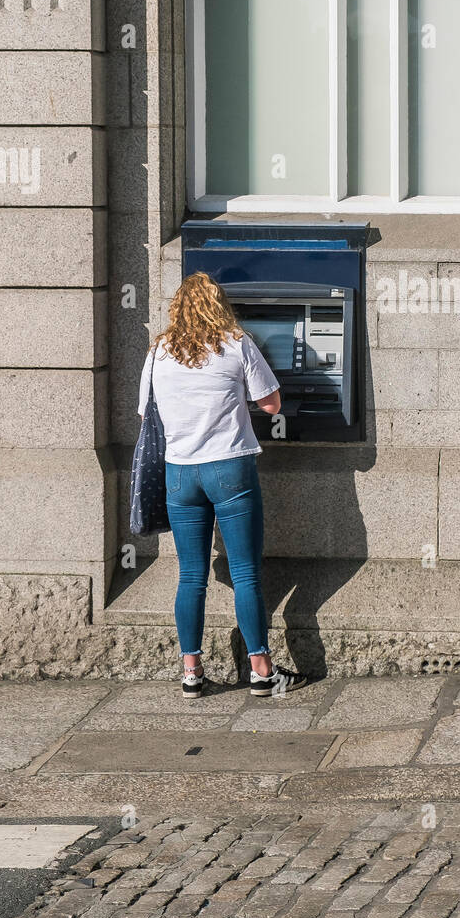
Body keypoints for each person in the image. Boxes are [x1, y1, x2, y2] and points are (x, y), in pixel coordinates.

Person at [137, 271, 307, 699]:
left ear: (177, 309)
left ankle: (192, 673)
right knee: (246, 572)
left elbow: (145, 414)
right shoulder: (237, 344)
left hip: (180, 473)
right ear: (219, 306)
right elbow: (272, 403)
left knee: (190, 576)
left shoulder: (158, 352)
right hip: (229, 469)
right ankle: (262, 672)